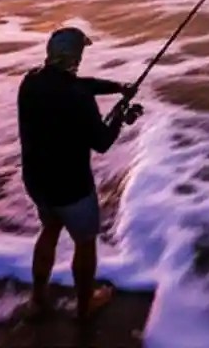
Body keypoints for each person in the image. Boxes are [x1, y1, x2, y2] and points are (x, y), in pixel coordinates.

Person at [18, 26, 137, 321]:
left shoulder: (30, 83)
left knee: (50, 229)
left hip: (37, 182)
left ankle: (38, 299)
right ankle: (86, 307)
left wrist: (117, 87)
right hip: (72, 187)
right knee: (85, 244)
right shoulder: (79, 98)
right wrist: (122, 115)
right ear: (76, 57)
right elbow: (102, 142)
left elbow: (79, 84)